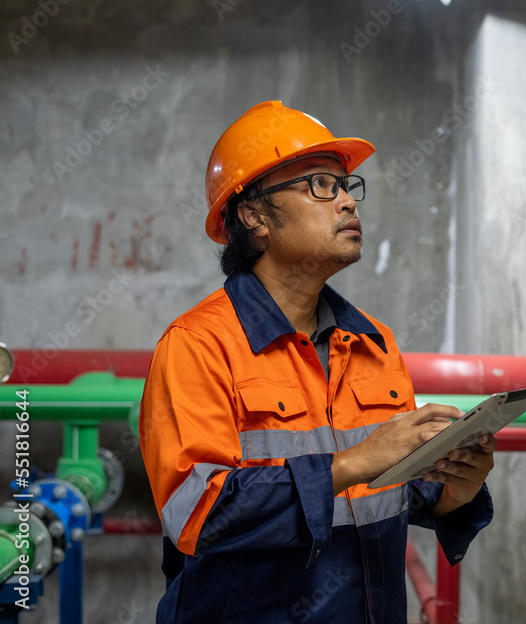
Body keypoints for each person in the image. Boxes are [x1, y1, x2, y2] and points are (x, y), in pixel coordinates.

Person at [139, 100, 495, 624]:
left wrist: (452, 492)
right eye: (320, 186)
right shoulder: (198, 344)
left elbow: (390, 496)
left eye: (347, 187)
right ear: (254, 215)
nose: (347, 203)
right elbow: (198, 514)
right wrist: (354, 462)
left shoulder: (372, 343)